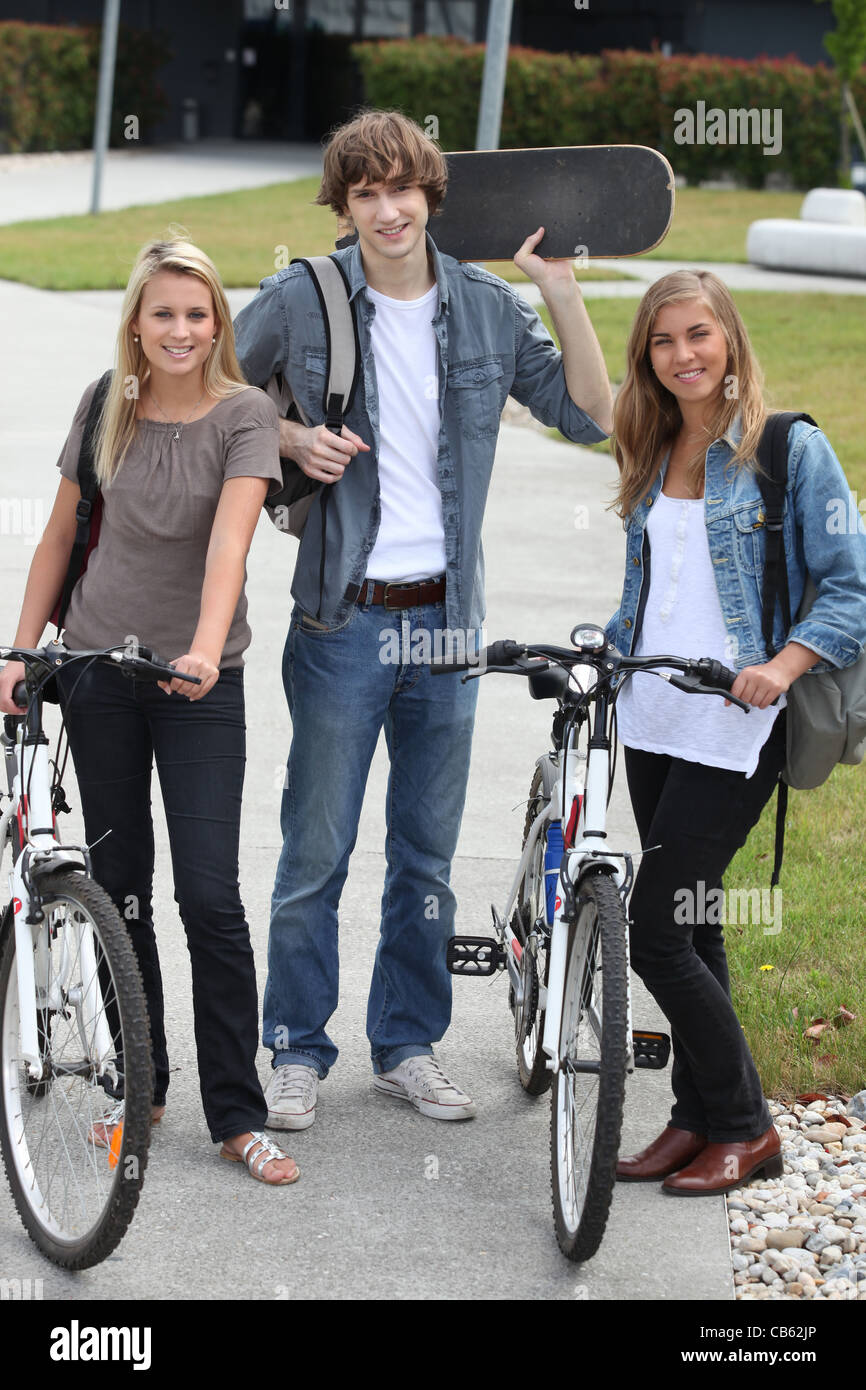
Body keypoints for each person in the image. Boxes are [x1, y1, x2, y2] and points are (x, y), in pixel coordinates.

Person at [234, 110, 613, 1128]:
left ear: (429, 194)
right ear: (344, 204)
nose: (387, 209)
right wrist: (285, 435)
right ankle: (295, 1050)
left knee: (424, 857)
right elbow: (196, 391)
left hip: (449, 628)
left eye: (402, 189)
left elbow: (593, 415)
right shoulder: (301, 299)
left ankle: (405, 1044)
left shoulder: (486, 309)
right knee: (314, 852)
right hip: (341, 622)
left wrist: (563, 294)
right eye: (365, 193)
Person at [0, 238, 300, 1186]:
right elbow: (60, 534)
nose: (181, 330)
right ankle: (142, 1088)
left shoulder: (245, 414)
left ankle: (237, 1115)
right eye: (163, 313)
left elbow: (230, 543)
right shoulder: (106, 405)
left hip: (200, 683)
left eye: (198, 313)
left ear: (219, 322)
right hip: (97, 673)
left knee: (209, 897)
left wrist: (206, 648)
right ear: (137, 319)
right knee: (118, 886)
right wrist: (22, 648)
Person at [606, 269, 866, 1194]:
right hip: (655, 713)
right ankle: (695, 1117)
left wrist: (784, 667)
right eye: (664, 341)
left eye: (698, 335)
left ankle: (748, 1127)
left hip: (738, 722)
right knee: (697, 920)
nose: (683, 355)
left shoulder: (788, 448)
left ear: (730, 341)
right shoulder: (655, 442)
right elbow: (654, 588)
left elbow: (850, 585)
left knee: (654, 935)